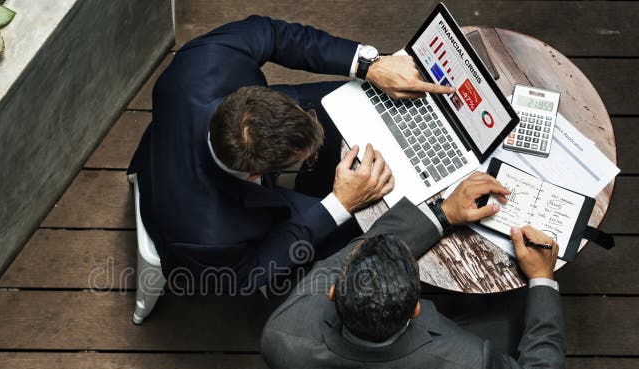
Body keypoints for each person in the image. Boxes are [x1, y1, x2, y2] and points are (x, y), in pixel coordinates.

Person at [261, 154, 565, 369]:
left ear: (332, 293)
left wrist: (443, 214)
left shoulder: (282, 333)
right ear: (417, 308)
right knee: (519, 326)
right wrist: (542, 280)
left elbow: (350, 257)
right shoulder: (468, 368)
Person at [127, 15, 454, 293]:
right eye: (306, 157)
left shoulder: (207, 60)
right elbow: (251, 274)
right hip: (198, 211)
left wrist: (369, 65)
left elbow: (272, 33)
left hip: (175, 133)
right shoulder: (209, 237)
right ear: (258, 175)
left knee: (355, 98)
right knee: (359, 229)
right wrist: (339, 205)